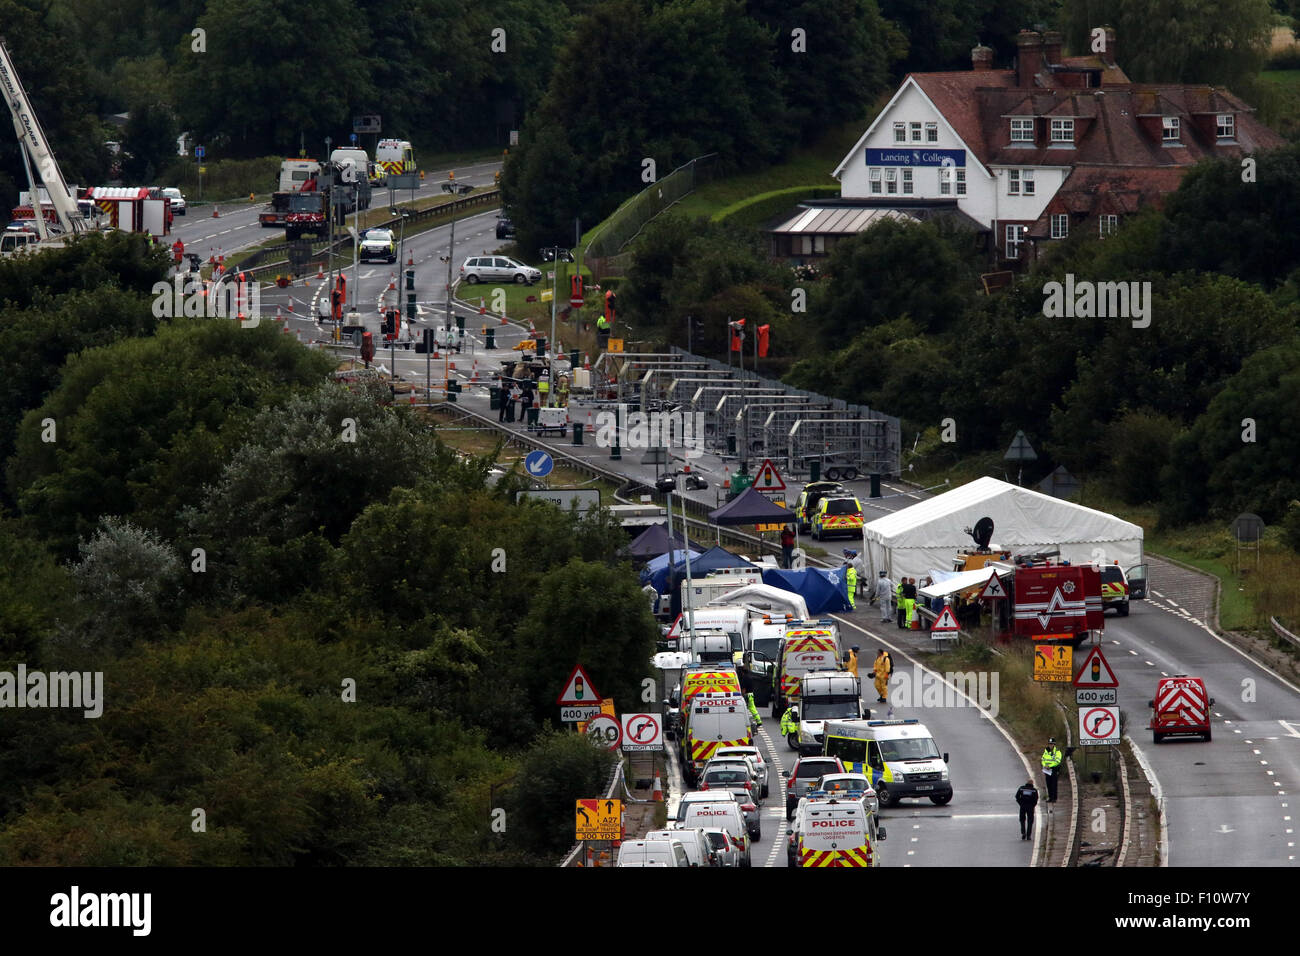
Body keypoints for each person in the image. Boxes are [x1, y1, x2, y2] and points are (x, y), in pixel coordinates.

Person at [1042, 738, 1063, 806]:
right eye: (1049, 744)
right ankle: (1050, 798)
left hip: (1054, 770)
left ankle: (1054, 798)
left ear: (1054, 744)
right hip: (1047, 770)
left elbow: (1057, 761)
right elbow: (1043, 759)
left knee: (1054, 784)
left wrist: (1050, 766)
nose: (1050, 745)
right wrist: (1044, 765)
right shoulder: (1046, 751)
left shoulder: (1057, 752)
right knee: (1048, 784)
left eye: (1051, 744)